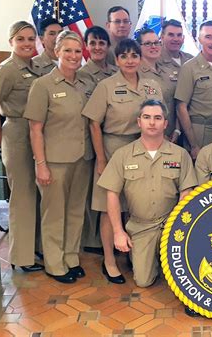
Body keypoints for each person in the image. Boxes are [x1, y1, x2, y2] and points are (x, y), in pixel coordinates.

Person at [82, 39, 163, 284]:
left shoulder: (152, 86)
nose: (130, 61)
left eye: (134, 56)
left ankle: (130, 251)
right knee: (110, 208)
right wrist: (101, 159)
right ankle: (109, 260)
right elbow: (93, 123)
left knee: (134, 205)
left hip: (143, 148)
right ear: (116, 60)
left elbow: (159, 116)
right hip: (114, 148)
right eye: (124, 56)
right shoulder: (106, 86)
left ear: (140, 58)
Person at [98, 99, 197, 288]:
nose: (152, 123)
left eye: (158, 118)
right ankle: (149, 257)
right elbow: (111, 195)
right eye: (147, 117)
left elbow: (187, 191)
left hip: (172, 225)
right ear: (139, 122)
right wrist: (118, 232)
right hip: (141, 226)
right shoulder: (123, 155)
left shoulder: (180, 154)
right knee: (143, 281)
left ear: (165, 124)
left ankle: (163, 257)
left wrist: (178, 226)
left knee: (183, 278)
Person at [24, 30, 94, 284]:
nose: (73, 56)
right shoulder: (42, 85)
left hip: (82, 158)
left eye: (77, 51)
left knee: (76, 211)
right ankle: (55, 263)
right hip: (54, 161)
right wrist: (40, 164)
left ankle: (71, 258)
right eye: (68, 51)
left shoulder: (85, 84)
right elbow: (35, 129)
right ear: (57, 52)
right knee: (54, 213)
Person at [0, 21, 43, 272]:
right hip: (17, 132)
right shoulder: (6, 70)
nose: (27, 44)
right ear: (11, 42)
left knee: (34, 194)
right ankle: (20, 257)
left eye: (31, 39)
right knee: (21, 197)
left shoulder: (35, 67)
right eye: (21, 39)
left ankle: (31, 249)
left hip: (36, 132)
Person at [79, 26, 119, 254]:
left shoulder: (115, 72)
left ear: (108, 46)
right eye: (92, 43)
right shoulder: (81, 74)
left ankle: (106, 240)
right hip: (88, 138)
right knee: (92, 195)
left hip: (110, 139)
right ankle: (91, 241)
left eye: (102, 43)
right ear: (86, 46)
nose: (97, 47)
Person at [175, 20, 212, 159]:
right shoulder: (189, 68)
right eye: (208, 37)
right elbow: (181, 107)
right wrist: (193, 144)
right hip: (199, 132)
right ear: (199, 39)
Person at [136, 28, 180, 142]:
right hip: (149, 137)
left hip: (173, 134)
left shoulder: (168, 70)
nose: (154, 46)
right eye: (148, 44)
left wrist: (177, 130)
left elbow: (177, 103)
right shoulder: (136, 74)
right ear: (138, 47)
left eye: (156, 42)